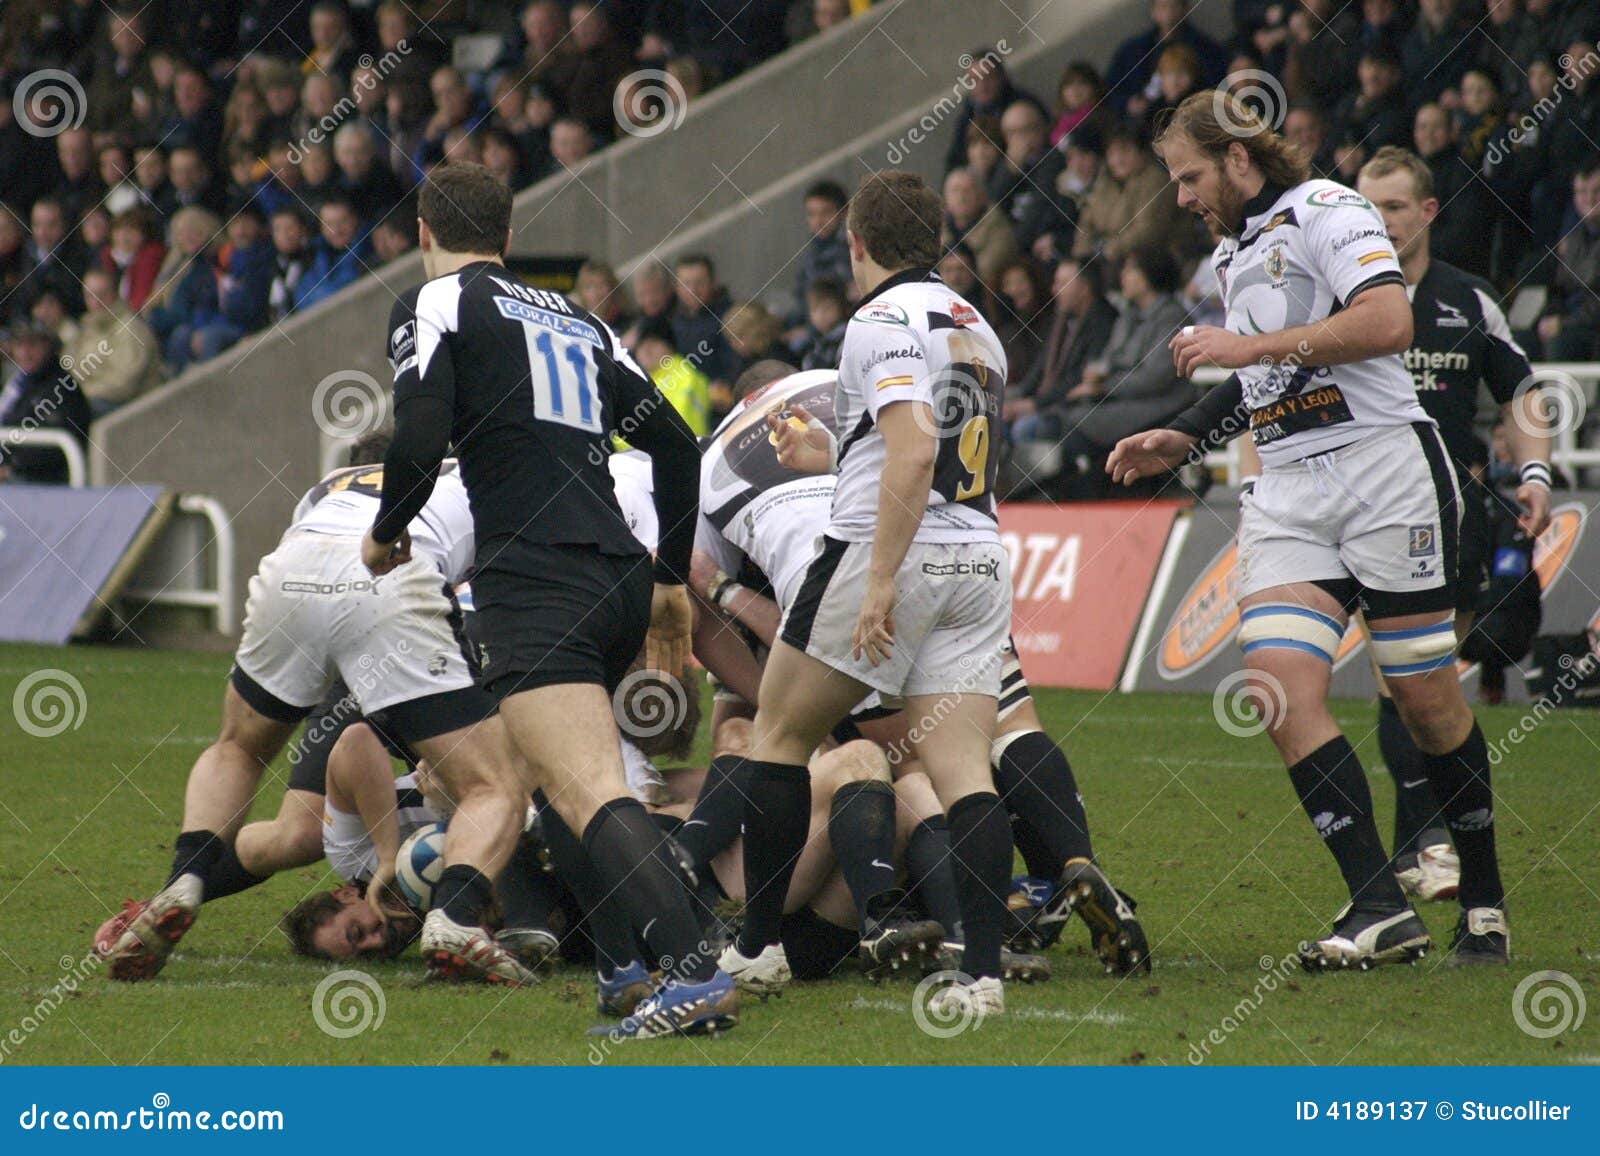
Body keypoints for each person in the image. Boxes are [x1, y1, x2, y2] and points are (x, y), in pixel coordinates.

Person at [1110, 90, 1514, 967]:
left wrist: (1243, 350)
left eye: (1189, 175)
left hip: (1382, 475)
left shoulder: (1330, 209)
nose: (1180, 196)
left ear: (1240, 159)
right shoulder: (1234, 250)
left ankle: (1483, 901)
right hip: (1290, 489)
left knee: (1426, 700)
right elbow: (1266, 376)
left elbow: (1386, 321)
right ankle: (1379, 907)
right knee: (1279, 689)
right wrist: (1191, 431)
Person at [362, 162, 736, 1038]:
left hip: (535, 575)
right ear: (509, 236)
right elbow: (678, 452)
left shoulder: (437, 304)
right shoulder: (580, 318)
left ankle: (692, 974)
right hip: (613, 569)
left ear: (423, 234)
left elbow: (418, 433)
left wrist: (388, 529)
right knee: (551, 779)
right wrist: (669, 578)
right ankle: (622, 966)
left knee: (588, 786)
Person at [690, 369, 1149, 975]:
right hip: (960, 551)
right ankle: (1052, 873)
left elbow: (702, 605)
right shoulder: (861, 384)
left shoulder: (718, 459)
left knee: (883, 763)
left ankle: (740, 916)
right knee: (999, 734)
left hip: (855, 574)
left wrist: (726, 597)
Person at [716, 170, 1017, 1019]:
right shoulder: (977, 324)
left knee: (777, 733)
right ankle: (984, 974)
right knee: (964, 770)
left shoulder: (880, 319)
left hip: (888, 550)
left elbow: (913, 452)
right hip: (979, 553)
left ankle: (759, 947)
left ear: (857, 243)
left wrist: (880, 579)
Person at [100, 431, 540, 986]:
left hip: (299, 579)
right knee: (496, 786)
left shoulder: (326, 488)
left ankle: (185, 880)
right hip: (413, 615)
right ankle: (459, 918)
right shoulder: (494, 474)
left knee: (245, 756)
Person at [1354, 146, 1551, 900]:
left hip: (1450, 517)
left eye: (1395, 208)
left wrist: (1532, 473)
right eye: (1366, 209)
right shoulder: (1337, 302)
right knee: (1397, 682)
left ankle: (1424, 848)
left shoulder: (1465, 300)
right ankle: (1428, 847)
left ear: (1428, 213)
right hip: (1360, 515)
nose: (1380, 222)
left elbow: (1523, 389)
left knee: (1424, 686)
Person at [0, 323, 91, 484]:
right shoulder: (19, 386)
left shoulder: (63, 388)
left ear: (48, 347)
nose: (25, 353)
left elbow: (56, 451)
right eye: (20, 345)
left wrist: (12, 466)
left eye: (32, 345)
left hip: (47, 483)